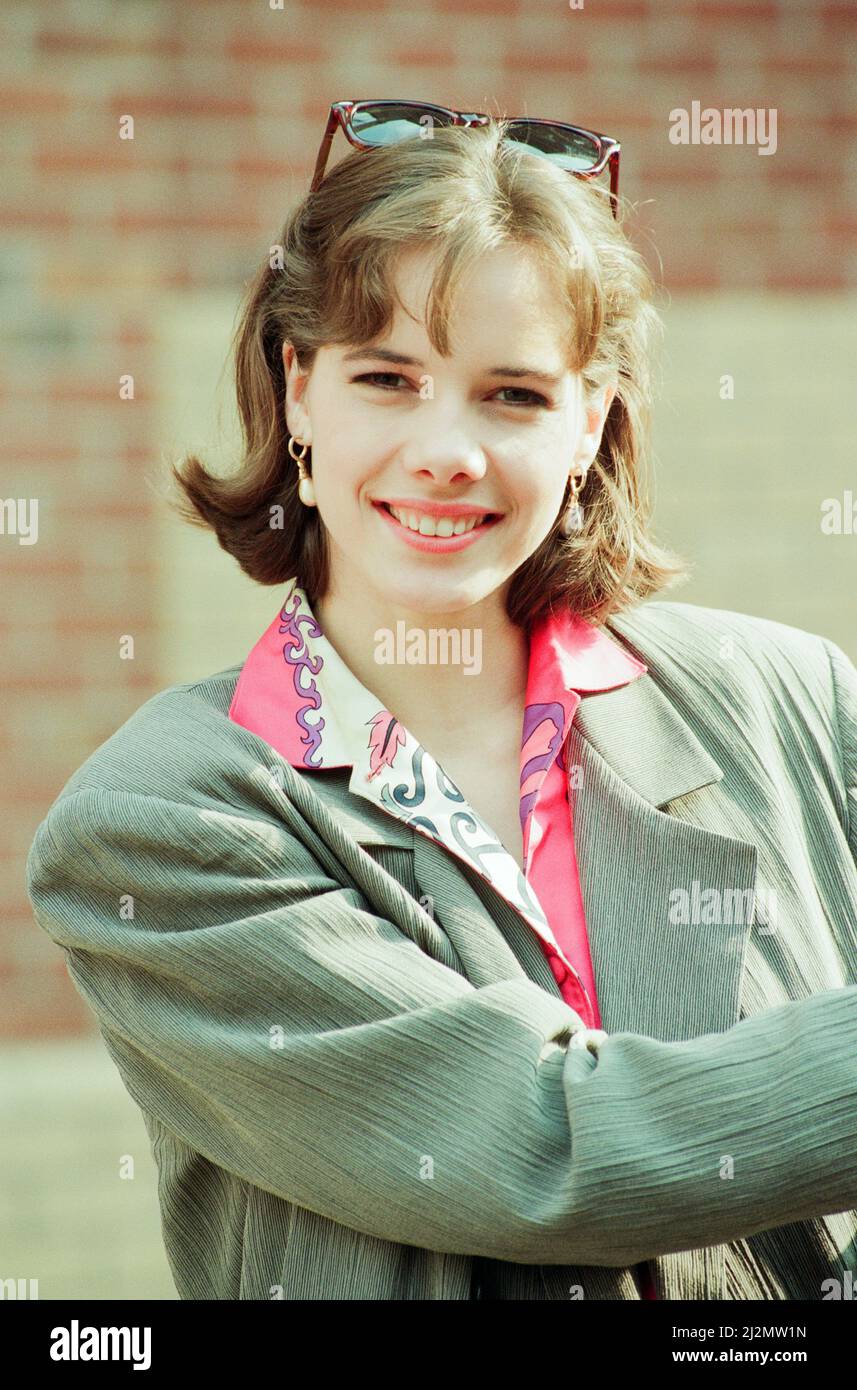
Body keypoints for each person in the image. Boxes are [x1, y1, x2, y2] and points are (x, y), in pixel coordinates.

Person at [26, 106, 857, 1302]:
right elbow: (541, 1146)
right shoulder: (162, 819)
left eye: (511, 395)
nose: (445, 449)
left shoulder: (796, 705)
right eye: (387, 378)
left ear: (591, 422)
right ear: (299, 392)